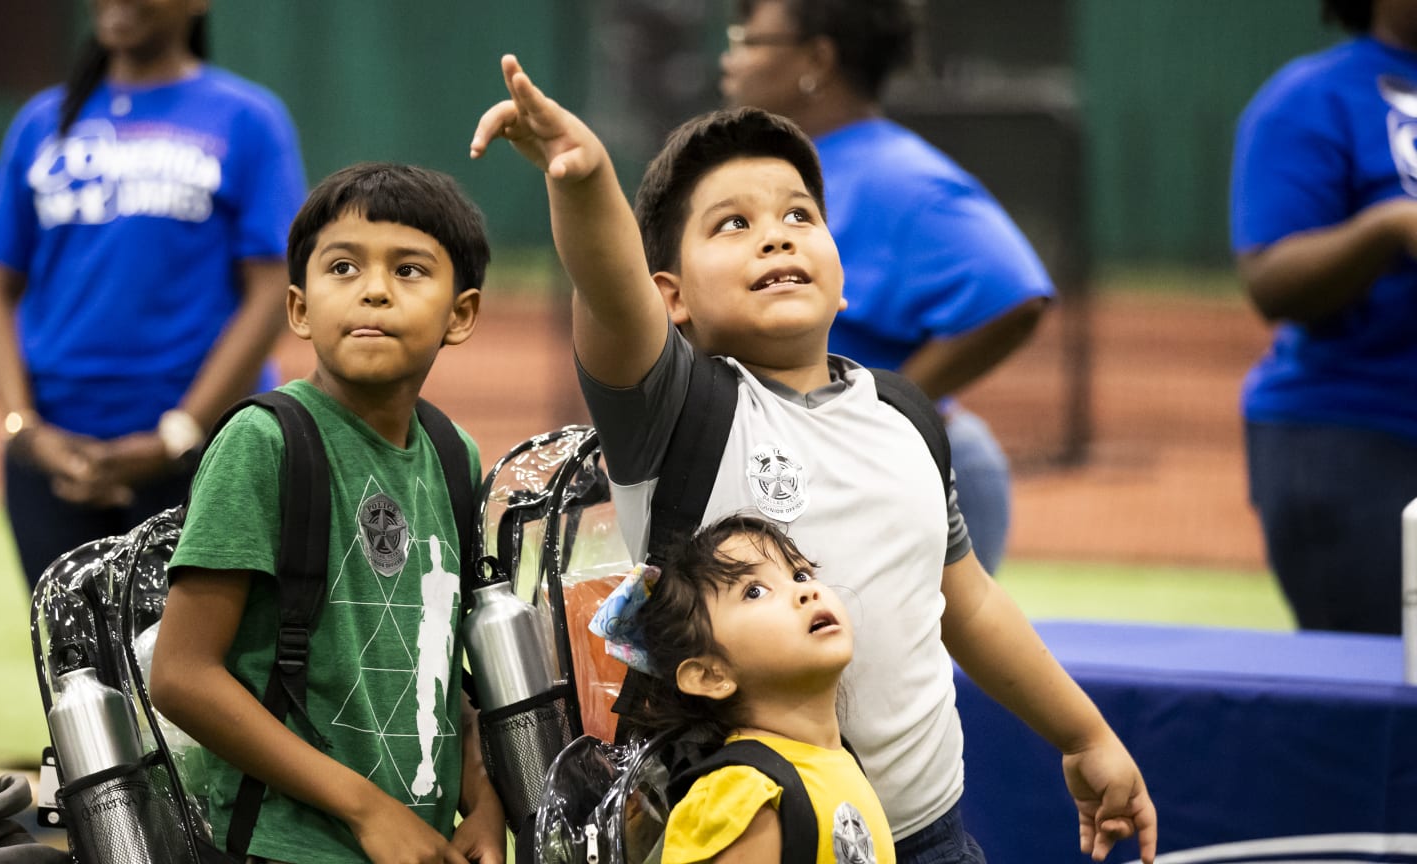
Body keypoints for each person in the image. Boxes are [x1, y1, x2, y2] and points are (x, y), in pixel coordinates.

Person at [471, 55, 1156, 864]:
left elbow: (966, 603)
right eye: (732, 224)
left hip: (933, 834)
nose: (775, 234)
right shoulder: (676, 411)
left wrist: (1084, 735)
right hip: (767, 838)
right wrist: (583, 183)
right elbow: (611, 289)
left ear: (842, 282)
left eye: (800, 216)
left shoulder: (907, 413)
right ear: (672, 297)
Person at [148, 163, 505, 864]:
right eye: (342, 267)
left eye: (409, 270)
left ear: (459, 315)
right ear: (300, 307)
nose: (373, 289)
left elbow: (437, 665)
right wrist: (368, 810)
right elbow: (181, 675)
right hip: (287, 848)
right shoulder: (264, 442)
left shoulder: (452, 454)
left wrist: (486, 805)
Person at [0, 0, 307, 591]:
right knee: (73, 674)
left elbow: (271, 290)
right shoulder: (42, 122)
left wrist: (180, 432)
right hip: (53, 456)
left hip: (205, 455)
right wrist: (26, 430)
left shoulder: (248, 118)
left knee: (184, 669)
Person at [719, 0, 1053, 573]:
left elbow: (1014, 292)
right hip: (819, 475)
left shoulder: (894, 175)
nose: (731, 59)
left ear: (816, 59)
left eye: (751, 41)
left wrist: (881, 411)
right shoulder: (786, 170)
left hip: (922, 473)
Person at [1230, 0, 1417, 636]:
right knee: (1379, 703)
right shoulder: (1311, 97)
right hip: (1355, 436)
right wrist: (1386, 226)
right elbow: (1271, 284)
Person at [628, 513, 896, 863]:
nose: (805, 591)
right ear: (710, 675)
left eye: (800, 574)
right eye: (754, 591)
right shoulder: (743, 796)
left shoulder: (835, 758)